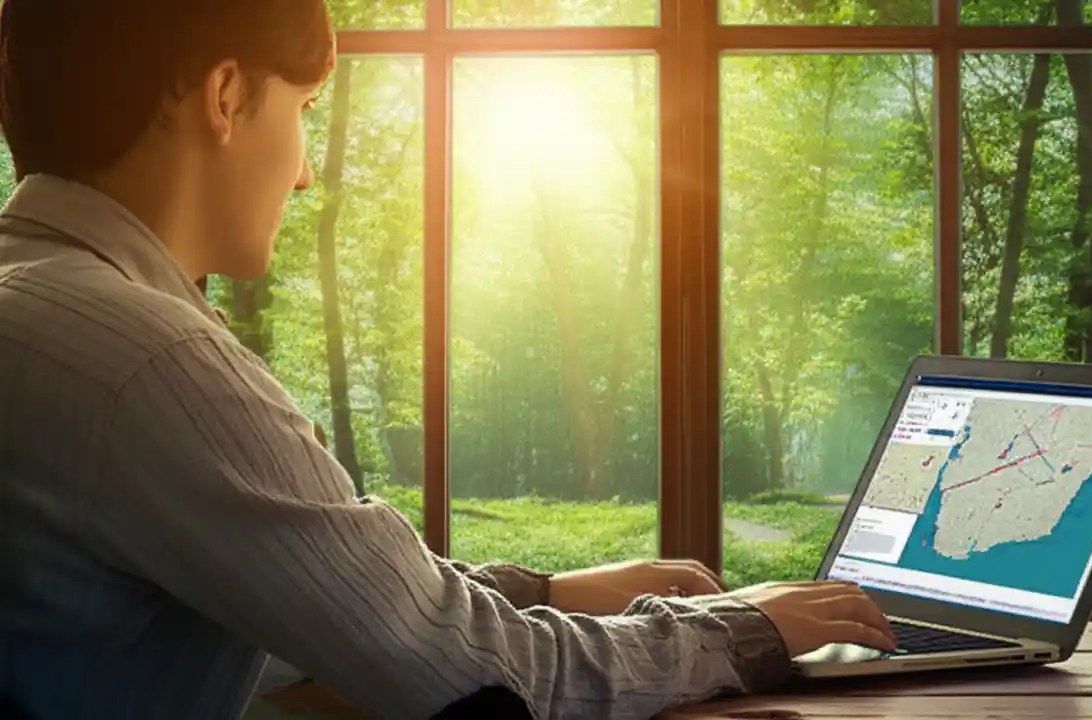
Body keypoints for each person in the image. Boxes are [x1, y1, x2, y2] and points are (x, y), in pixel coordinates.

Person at [0, 2, 896, 718]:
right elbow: (492, 683)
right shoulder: (152, 362)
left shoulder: (39, 308)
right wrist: (739, 630)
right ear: (226, 97)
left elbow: (273, 613)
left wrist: (543, 586)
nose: (307, 172)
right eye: (305, 109)